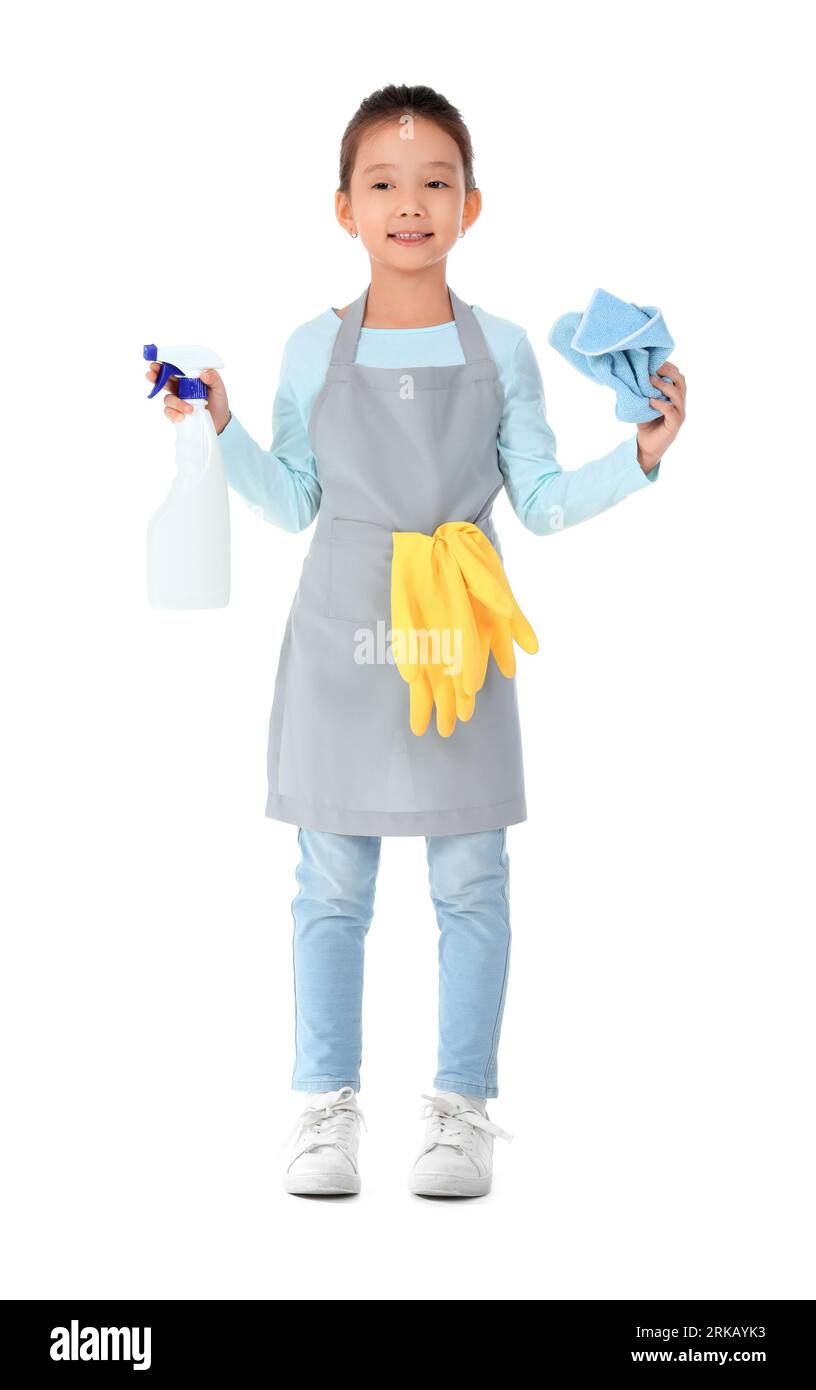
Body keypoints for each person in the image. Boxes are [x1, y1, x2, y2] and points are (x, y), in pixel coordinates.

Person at [146, 83, 686, 1200]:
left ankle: (460, 1108)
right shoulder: (308, 346)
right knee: (330, 881)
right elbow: (293, 498)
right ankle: (325, 1107)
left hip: (459, 636)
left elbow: (535, 498)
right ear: (343, 207)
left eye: (435, 180)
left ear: (471, 206)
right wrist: (222, 423)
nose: (410, 202)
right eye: (384, 183)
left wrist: (639, 456)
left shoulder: (503, 347)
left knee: (473, 879)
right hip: (345, 634)